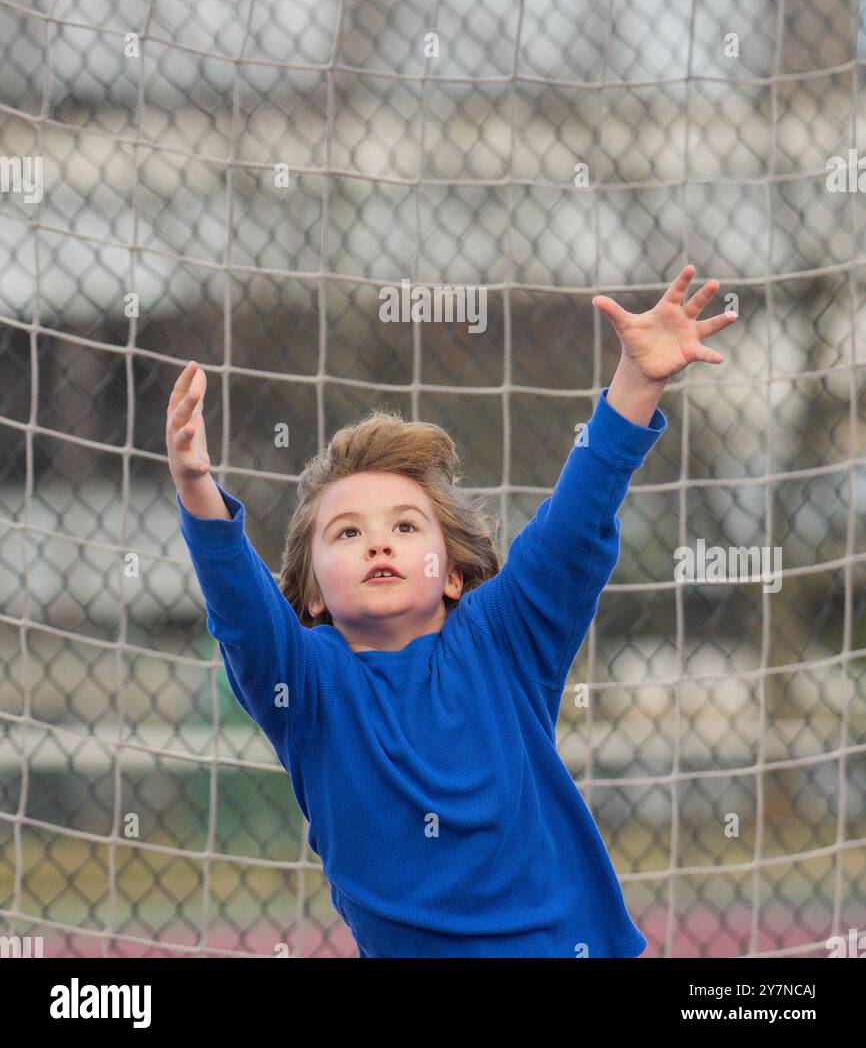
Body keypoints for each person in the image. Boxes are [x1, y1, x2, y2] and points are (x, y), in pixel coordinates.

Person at [168, 264, 736, 957]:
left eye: (405, 526)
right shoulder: (307, 688)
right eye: (346, 533)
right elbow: (243, 611)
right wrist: (196, 487)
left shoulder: (503, 639)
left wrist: (637, 382)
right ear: (311, 593)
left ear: (455, 576)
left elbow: (574, 523)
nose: (378, 541)